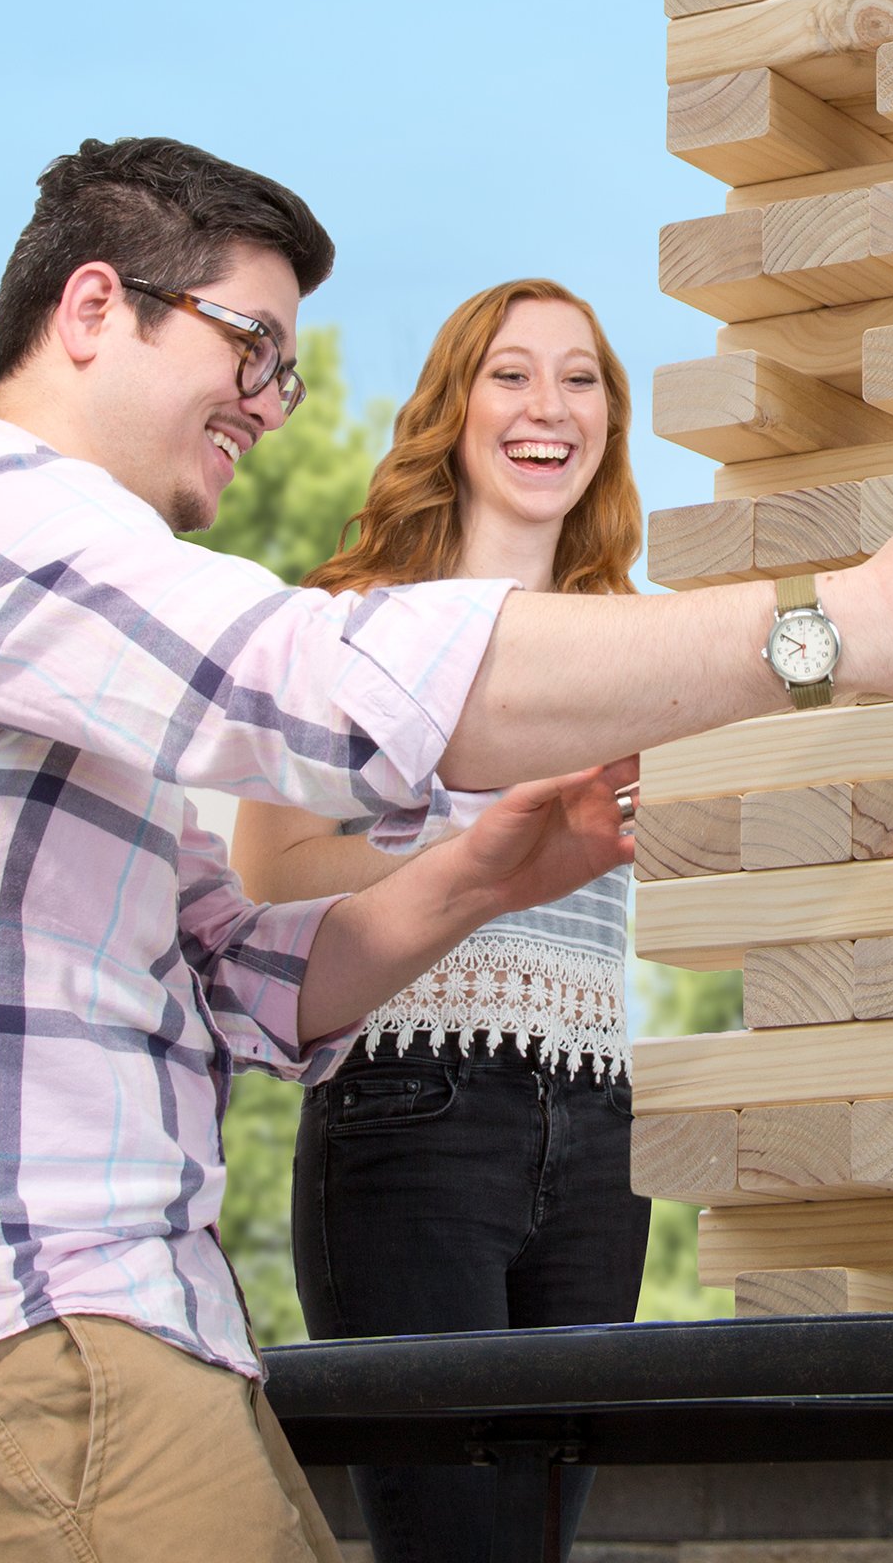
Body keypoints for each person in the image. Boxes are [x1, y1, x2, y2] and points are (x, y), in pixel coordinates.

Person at [0, 136, 893, 1563]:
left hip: (136, 1331)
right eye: (252, 347)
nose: (269, 405)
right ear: (94, 309)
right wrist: (839, 624)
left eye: (284, 371)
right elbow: (315, 691)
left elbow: (232, 985)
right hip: (31, 1338)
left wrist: (493, 872)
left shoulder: (71, 654)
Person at [234, 279, 647, 1562]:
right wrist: (470, 832)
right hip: (409, 1109)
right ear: (454, 408)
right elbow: (267, 871)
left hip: (599, 1127)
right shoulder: (355, 619)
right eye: (511, 373)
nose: (548, 406)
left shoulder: (636, 643)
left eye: (580, 378)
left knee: (534, 1543)